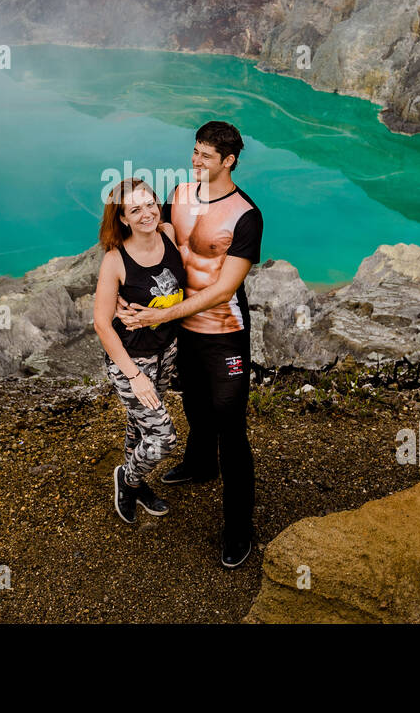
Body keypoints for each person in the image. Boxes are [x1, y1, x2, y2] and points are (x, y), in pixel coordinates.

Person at [116, 121, 262, 568]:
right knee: (196, 406)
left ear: (228, 161)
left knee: (231, 428)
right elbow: (140, 231)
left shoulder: (246, 215)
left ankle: (239, 529)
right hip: (183, 335)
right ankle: (201, 465)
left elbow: (222, 290)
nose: (195, 160)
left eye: (205, 155)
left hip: (223, 334)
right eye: (194, 151)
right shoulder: (179, 194)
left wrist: (160, 315)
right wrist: (119, 285)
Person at [92, 177, 187, 524]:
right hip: (131, 362)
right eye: (135, 209)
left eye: (150, 204)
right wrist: (135, 377)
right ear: (123, 218)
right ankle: (128, 478)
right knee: (164, 437)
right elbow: (102, 324)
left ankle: (136, 481)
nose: (147, 213)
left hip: (167, 352)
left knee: (140, 424)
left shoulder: (170, 235)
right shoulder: (115, 261)